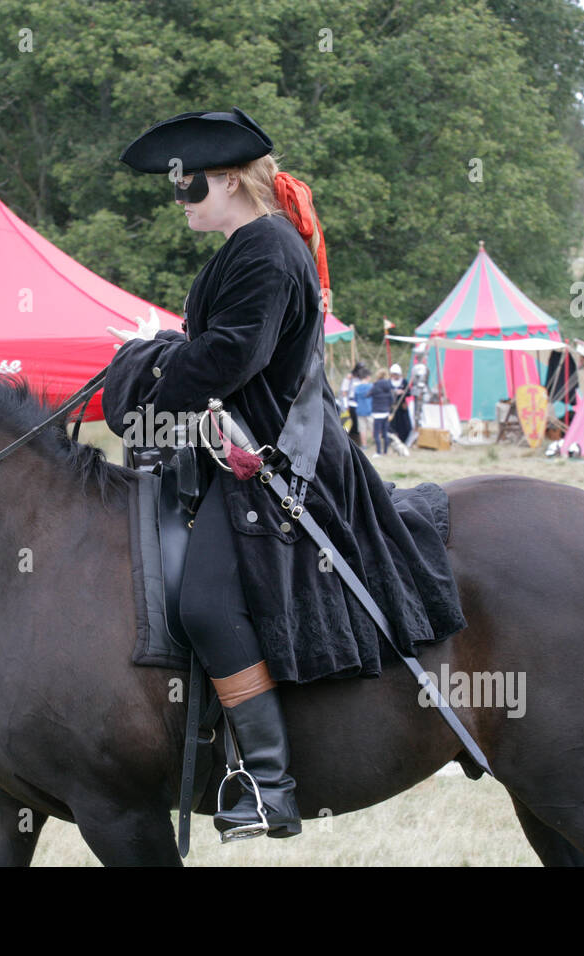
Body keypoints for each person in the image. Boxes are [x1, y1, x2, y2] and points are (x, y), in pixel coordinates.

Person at [104, 107, 465, 839]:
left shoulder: (267, 249)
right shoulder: (246, 245)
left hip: (279, 469)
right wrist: (162, 358)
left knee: (205, 604)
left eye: (189, 187)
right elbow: (220, 354)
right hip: (233, 457)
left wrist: (148, 366)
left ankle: (268, 780)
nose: (180, 202)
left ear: (234, 179)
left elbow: (232, 357)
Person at [369, 368, 393, 455]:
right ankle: (385, 451)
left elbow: (368, 394)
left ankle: (378, 451)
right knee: (385, 433)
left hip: (377, 413)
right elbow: (391, 400)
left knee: (376, 434)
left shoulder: (376, 385)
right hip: (386, 412)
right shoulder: (388, 385)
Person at [390, 364, 413, 446]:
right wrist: (394, 392)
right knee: (393, 425)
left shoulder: (404, 382)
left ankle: (404, 440)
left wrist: (403, 392)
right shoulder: (389, 382)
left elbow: (409, 392)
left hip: (402, 406)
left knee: (405, 424)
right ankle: (394, 440)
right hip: (393, 406)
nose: (395, 376)